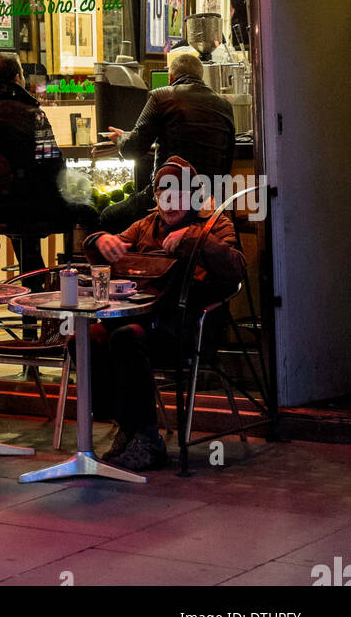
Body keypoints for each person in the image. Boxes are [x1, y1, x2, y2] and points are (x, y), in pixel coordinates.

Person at [81, 155, 246, 471]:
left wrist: (193, 237)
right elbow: (104, 252)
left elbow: (235, 269)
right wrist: (98, 240)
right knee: (87, 337)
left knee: (126, 338)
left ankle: (146, 439)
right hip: (140, 321)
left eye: (178, 195)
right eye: (162, 196)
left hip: (187, 329)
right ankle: (130, 428)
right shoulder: (145, 226)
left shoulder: (213, 223)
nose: (169, 204)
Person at [0, 52, 93, 273]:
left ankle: (32, 275)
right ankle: (76, 278)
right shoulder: (32, 114)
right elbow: (53, 166)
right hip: (30, 207)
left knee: (18, 209)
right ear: (16, 78)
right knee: (87, 211)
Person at [99, 50, 237, 234]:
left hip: (171, 197)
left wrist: (120, 139)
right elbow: (228, 159)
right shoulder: (224, 105)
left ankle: (141, 260)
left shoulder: (162, 97)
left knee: (108, 216)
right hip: (211, 200)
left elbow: (133, 149)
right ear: (201, 77)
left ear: (170, 77)